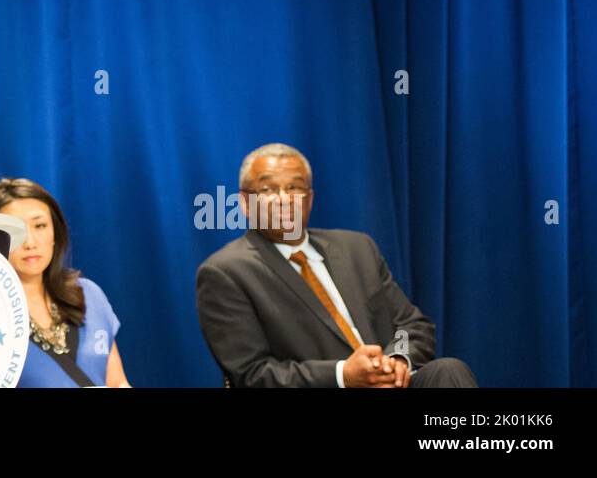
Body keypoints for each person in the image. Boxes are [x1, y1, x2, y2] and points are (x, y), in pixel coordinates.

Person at [195, 142, 477, 388]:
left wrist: (397, 359)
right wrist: (343, 375)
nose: (283, 199)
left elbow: (411, 325)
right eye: (268, 189)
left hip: (391, 384)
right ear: (245, 203)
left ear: (310, 199)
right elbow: (252, 374)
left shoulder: (357, 248)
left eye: (294, 187)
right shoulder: (226, 272)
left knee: (448, 371)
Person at [0, 178, 130, 388]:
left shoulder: (88, 294)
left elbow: (118, 382)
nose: (30, 243)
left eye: (40, 225)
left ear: (55, 233)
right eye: (15, 232)